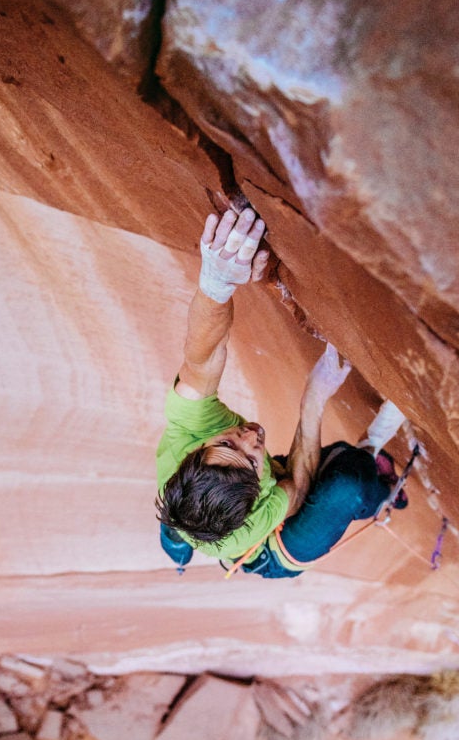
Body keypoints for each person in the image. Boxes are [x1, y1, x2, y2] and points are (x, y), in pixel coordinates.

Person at [155, 207, 408, 578]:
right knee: (348, 486)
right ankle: (381, 482)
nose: (251, 436)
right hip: (271, 552)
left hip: (206, 501)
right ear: (258, 491)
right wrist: (314, 397)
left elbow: (202, 359)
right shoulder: (255, 517)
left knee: (175, 532)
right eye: (253, 457)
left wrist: (215, 285)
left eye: (226, 444)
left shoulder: (185, 435)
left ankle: (177, 546)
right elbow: (298, 487)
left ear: (196, 451)